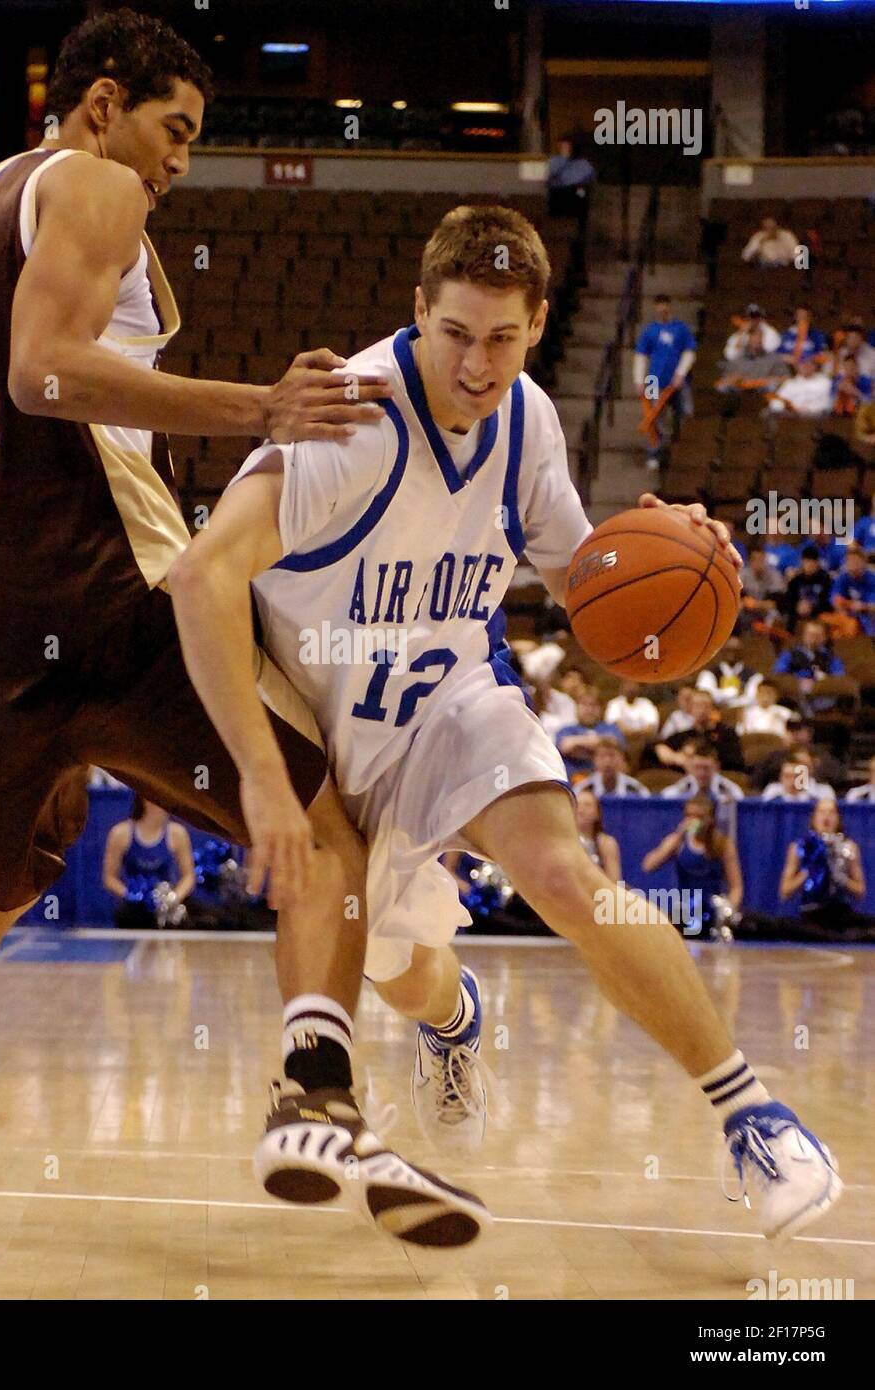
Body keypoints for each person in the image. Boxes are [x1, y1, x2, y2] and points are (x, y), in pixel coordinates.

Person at [0, 11, 485, 1248]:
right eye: (173, 128)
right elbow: (43, 376)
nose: (178, 161)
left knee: (8, 865)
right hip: (97, 589)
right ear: (99, 106)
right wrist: (260, 407)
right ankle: (322, 1087)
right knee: (326, 814)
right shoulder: (92, 182)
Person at [171, 200, 841, 1238]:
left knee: (569, 876)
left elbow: (586, 582)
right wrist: (258, 771)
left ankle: (754, 1119)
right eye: (455, 335)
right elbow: (202, 572)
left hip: (455, 705)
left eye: (502, 338)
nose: (477, 366)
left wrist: (689, 550)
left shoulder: (527, 415)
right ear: (418, 312)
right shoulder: (351, 419)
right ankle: (455, 1017)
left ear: (534, 324)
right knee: (407, 973)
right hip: (331, 740)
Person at [642, 794, 743, 940]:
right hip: (686, 911)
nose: (693, 821)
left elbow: (736, 887)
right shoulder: (677, 841)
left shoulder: (723, 845)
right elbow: (648, 865)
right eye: (689, 816)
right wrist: (678, 836)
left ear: (710, 819)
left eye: (699, 817)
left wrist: (727, 912)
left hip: (712, 908)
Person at [102, 795, 195, 928]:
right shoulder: (120, 833)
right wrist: (131, 895)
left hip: (166, 907)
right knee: (128, 916)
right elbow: (109, 878)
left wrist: (173, 898)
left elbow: (189, 876)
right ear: (146, 801)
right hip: (134, 911)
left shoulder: (177, 833)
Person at [779, 798, 866, 931]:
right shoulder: (799, 847)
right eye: (822, 812)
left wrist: (841, 879)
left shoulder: (849, 847)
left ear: (838, 819)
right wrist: (810, 870)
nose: (826, 817)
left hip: (841, 914)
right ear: (813, 818)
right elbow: (784, 891)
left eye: (831, 812)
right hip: (811, 913)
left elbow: (860, 892)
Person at [633, 294, 696, 469]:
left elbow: (689, 352)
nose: (662, 308)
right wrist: (639, 380)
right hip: (653, 379)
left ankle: (684, 452)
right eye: (658, 305)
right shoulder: (650, 330)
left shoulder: (680, 328)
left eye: (664, 305)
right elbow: (641, 355)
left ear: (669, 306)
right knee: (653, 418)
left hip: (677, 381)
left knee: (686, 414)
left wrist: (680, 373)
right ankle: (654, 454)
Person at [661, 740, 743, 838]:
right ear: (691, 766)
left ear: (716, 767)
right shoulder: (679, 789)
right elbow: (665, 800)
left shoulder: (730, 790)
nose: (701, 773)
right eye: (697, 767)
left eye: (706, 768)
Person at [655, 688, 744, 772]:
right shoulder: (685, 734)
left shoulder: (727, 733)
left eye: (705, 706)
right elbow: (659, 747)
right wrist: (678, 758)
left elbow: (735, 762)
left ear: (712, 709)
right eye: (697, 705)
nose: (701, 710)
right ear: (690, 709)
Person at [555, 686, 625, 778]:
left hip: (606, 781)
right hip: (574, 779)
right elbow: (566, 746)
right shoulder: (566, 730)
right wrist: (598, 744)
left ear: (601, 708)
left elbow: (615, 744)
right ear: (576, 707)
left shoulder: (611, 728)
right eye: (584, 705)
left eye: (594, 705)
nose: (589, 710)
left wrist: (578, 745)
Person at [545, 133, 595, 236]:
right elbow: (550, 176)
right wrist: (564, 159)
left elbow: (588, 178)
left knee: (581, 193)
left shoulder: (583, 164)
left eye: (566, 146)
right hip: (559, 193)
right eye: (562, 146)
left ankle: (579, 234)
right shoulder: (555, 161)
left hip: (577, 192)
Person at [694, 635, 763, 709]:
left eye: (736, 651)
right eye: (728, 650)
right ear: (722, 651)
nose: (732, 654)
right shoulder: (708, 673)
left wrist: (723, 699)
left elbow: (751, 700)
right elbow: (705, 696)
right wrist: (733, 692)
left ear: (742, 652)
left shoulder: (754, 676)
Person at [575, 736, 649, 798]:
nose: (607, 762)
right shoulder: (583, 789)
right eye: (602, 756)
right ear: (594, 760)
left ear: (622, 759)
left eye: (612, 755)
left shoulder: (635, 789)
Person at [782, 545, 833, 631]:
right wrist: (797, 606)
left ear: (817, 563)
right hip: (798, 613)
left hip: (819, 613)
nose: (810, 565)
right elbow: (788, 601)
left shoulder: (825, 579)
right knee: (788, 618)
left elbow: (828, 603)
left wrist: (812, 607)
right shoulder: (795, 580)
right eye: (807, 562)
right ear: (802, 562)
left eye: (813, 562)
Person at [574, 788, 620, 881]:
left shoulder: (606, 843)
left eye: (587, 805)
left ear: (597, 813)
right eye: (577, 805)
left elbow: (615, 881)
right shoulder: (565, 842)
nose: (581, 809)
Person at [830, 543, 875, 637]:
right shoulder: (842, 578)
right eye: (849, 562)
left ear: (863, 562)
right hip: (847, 614)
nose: (852, 565)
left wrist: (864, 606)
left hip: (868, 616)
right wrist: (846, 605)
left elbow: (873, 605)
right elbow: (835, 599)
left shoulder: (872, 579)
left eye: (856, 561)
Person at [766, 354, 833, 418]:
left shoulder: (826, 382)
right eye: (802, 363)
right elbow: (775, 403)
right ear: (797, 366)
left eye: (809, 363)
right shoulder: (790, 384)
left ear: (815, 365)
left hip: (818, 419)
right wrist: (787, 407)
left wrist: (809, 409)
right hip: (794, 419)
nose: (805, 366)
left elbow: (829, 403)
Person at [761, 752, 835, 803]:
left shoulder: (816, 797)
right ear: (781, 777)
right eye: (787, 776)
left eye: (796, 776)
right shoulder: (772, 793)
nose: (792, 780)